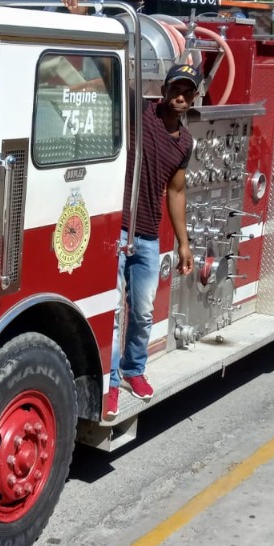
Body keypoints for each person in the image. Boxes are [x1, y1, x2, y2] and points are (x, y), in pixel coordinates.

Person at [106, 62, 196, 419]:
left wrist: (184, 243)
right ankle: (111, 383)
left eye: (188, 91)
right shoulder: (141, 112)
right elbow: (107, 76)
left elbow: (176, 191)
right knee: (113, 314)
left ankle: (134, 369)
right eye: (176, 88)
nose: (180, 96)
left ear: (194, 98)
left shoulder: (186, 143)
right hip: (118, 230)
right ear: (164, 90)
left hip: (147, 234)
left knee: (143, 312)